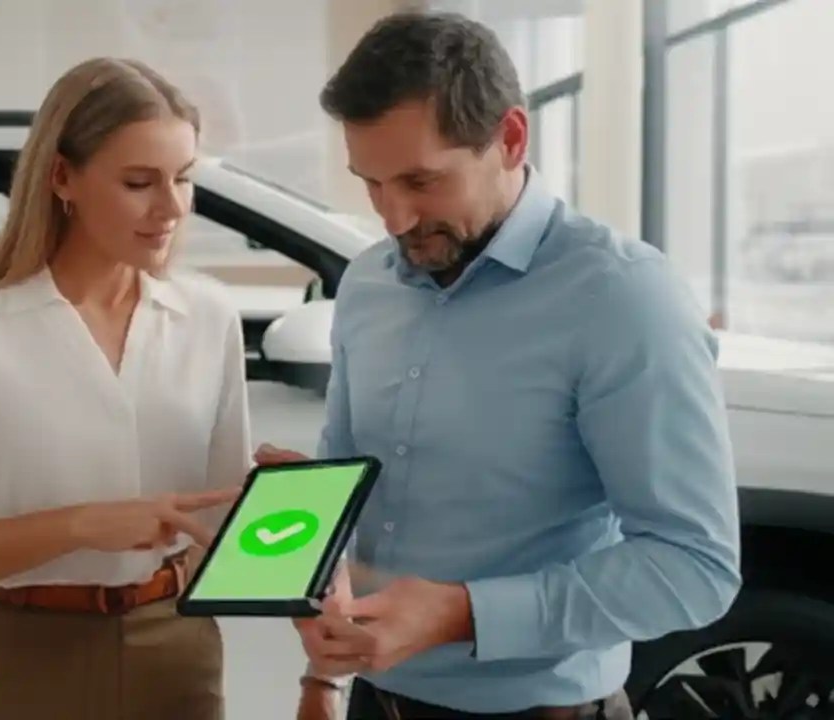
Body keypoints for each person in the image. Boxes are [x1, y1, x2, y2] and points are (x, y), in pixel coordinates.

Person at [259, 11, 742, 720]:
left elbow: (694, 567)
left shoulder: (623, 298)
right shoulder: (367, 283)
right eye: (371, 183)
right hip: (375, 701)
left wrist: (462, 614)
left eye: (421, 181)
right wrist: (318, 663)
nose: (392, 218)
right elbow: (350, 480)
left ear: (511, 137)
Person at [0, 57, 251, 720]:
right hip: (22, 658)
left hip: (177, 652)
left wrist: (288, 503)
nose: (172, 208)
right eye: (140, 182)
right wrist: (80, 525)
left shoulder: (209, 318)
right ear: (62, 177)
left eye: (183, 179)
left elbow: (218, 519)